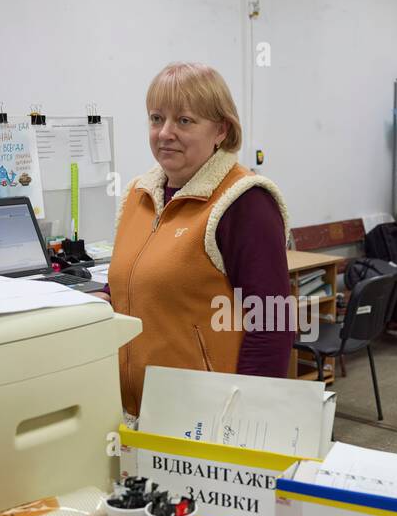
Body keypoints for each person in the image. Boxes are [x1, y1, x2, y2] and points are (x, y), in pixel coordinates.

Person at [109, 62, 292, 416]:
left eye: (184, 121)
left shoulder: (245, 201)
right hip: (132, 412)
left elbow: (272, 322)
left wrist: (244, 418)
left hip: (207, 417)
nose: (165, 133)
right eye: (156, 118)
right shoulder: (138, 194)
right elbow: (129, 285)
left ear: (221, 130)